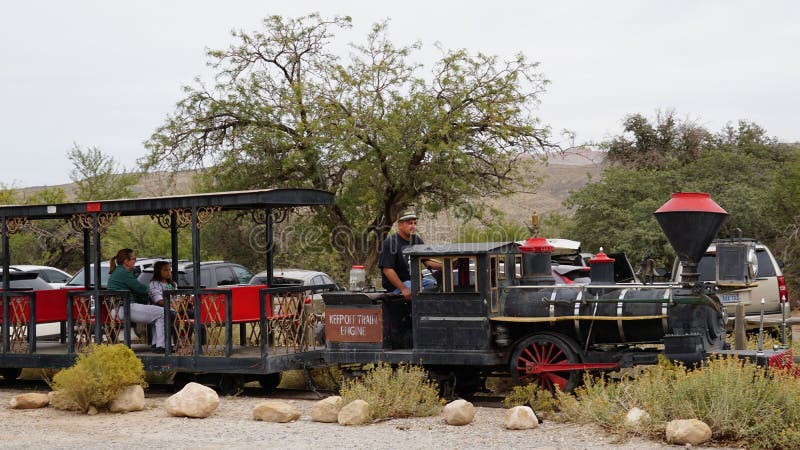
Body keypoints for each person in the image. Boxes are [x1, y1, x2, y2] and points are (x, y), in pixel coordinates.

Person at [107, 248, 168, 352]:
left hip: (119, 308)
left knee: (156, 313)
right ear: (126, 261)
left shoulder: (119, 271)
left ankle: (156, 344)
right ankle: (160, 346)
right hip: (124, 308)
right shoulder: (124, 273)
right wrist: (151, 290)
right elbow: (140, 288)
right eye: (134, 259)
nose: (135, 261)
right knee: (163, 312)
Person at [379, 209, 441, 299]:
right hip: (399, 285)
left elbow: (427, 261)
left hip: (416, 281)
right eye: (409, 223)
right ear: (400, 225)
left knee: (437, 287)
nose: (413, 226)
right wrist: (403, 289)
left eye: (415, 223)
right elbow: (387, 270)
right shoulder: (390, 242)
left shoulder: (416, 240)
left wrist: (450, 265)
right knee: (414, 288)